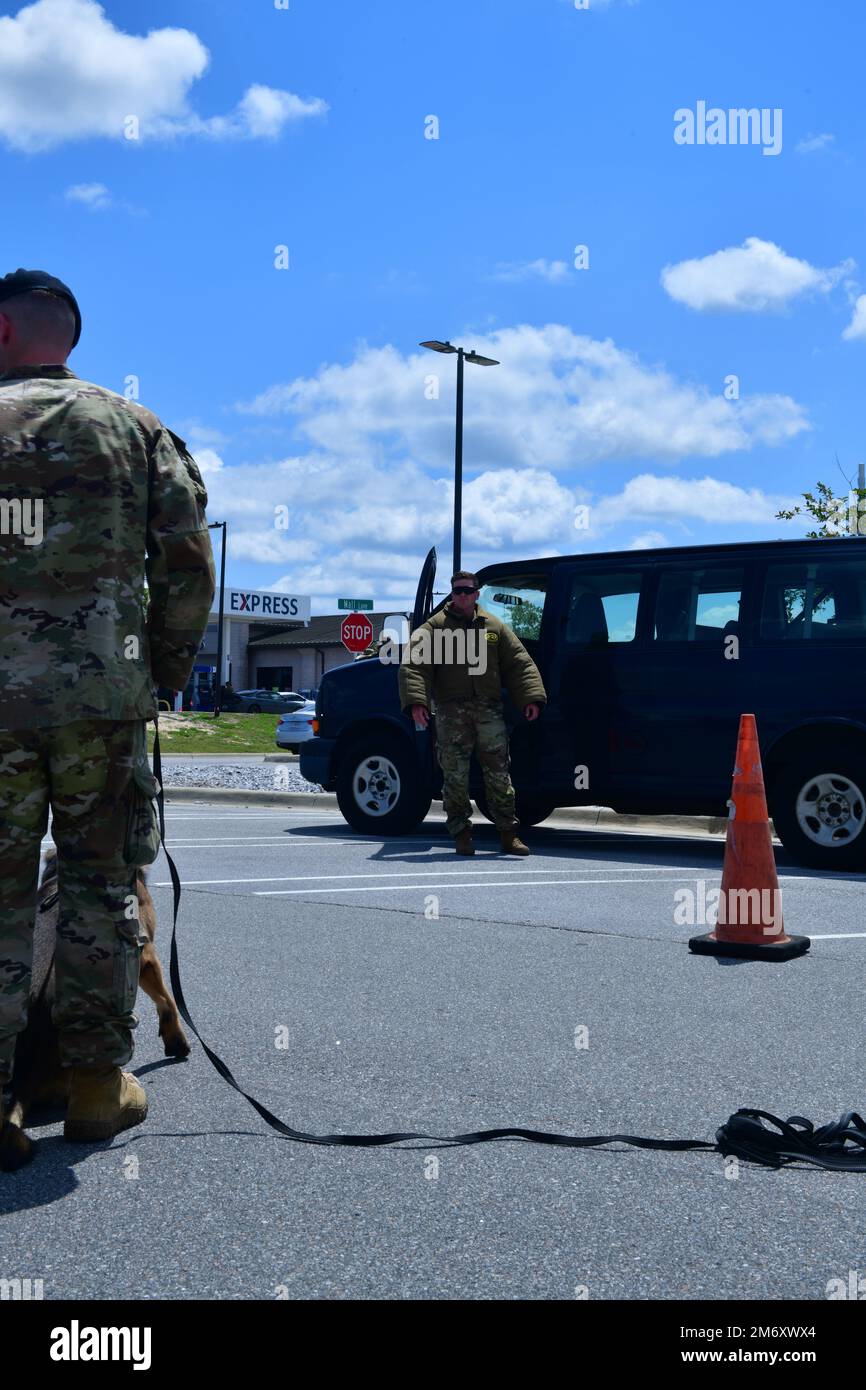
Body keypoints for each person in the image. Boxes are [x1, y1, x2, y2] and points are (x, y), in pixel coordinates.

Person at [0, 268, 215, 1143]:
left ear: (5, 335)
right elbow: (190, 563)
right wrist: (160, 674)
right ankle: (95, 1087)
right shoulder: (137, 427)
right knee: (100, 887)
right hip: (104, 701)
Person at [398, 569, 547, 856]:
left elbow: (519, 663)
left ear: (477, 594)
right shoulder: (434, 628)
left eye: (468, 590)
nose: (463, 595)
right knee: (454, 776)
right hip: (451, 712)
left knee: (499, 773)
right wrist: (417, 702)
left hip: (488, 710)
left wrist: (530, 697)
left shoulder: (494, 627)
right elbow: (414, 666)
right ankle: (461, 834)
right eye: (457, 591)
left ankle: (508, 833)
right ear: (451, 595)